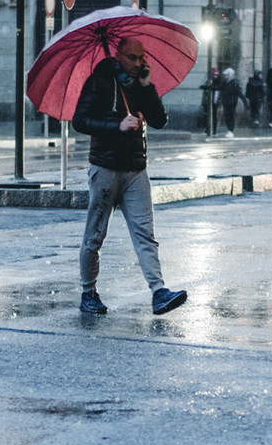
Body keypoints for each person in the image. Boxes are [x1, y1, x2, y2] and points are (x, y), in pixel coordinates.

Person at [72, 36, 188, 316]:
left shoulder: (140, 84)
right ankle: (88, 293)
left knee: (145, 234)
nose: (138, 64)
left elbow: (159, 121)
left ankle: (159, 292)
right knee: (95, 234)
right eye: (132, 58)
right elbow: (80, 120)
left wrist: (148, 88)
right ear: (118, 55)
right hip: (106, 168)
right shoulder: (100, 79)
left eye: (141, 58)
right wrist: (116, 124)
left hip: (136, 169)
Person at [218, 67, 249, 138]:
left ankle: (231, 130)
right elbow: (219, 89)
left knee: (231, 116)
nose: (225, 76)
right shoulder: (224, 82)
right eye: (225, 75)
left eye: (226, 75)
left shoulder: (235, 83)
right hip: (225, 102)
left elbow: (240, 94)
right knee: (226, 116)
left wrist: (245, 103)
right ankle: (229, 129)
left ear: (230, 75)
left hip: (232, 103)